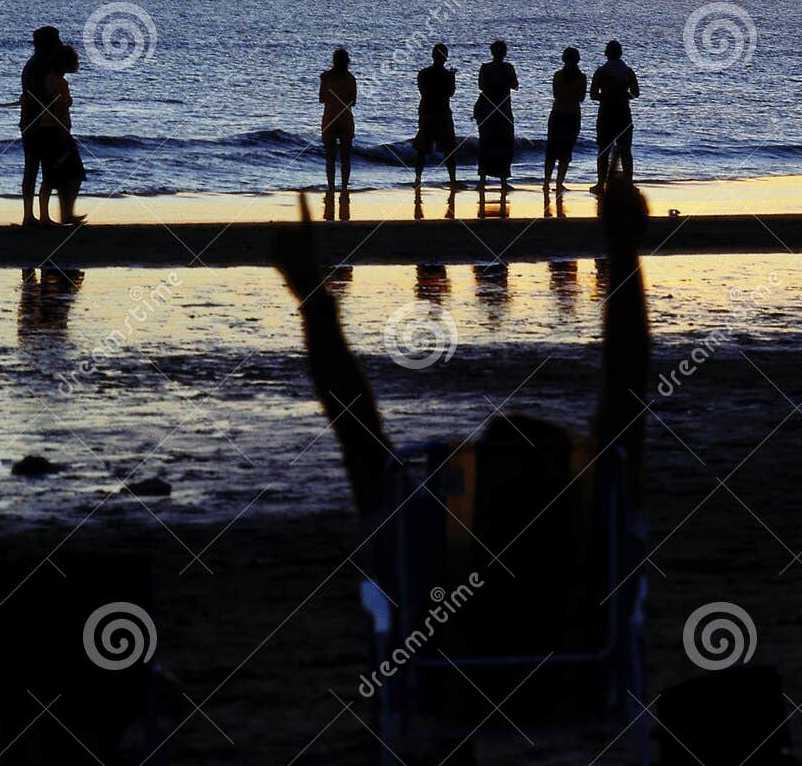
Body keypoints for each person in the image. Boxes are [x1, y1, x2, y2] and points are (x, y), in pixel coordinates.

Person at [274, 180, 651, 520]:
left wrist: (312, 296)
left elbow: (355, 425)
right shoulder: (600, 535)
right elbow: (626, 388)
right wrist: (623, 248)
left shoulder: (426, 554)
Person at [36, 43, 86, 225]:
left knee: (51, 175)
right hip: (58, 132)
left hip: (45, 129)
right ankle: (66, 213)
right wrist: (65, 131)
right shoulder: (61, 83)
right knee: (74, 174)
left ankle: (47, 215)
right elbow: (61, 109)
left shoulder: (45, 79)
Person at [20, 25, 60, 227]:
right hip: (42, 123)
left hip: (27, 122)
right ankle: (42, 216)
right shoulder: (43, 65)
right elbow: (43, 95)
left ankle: (29, 215)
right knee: (47, 168)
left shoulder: (30, 64)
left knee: (31, 168)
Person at [589, 39, 639, 193]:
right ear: (621, 53)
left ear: (606, 54)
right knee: (625, 150)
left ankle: (600, 184)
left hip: (606, 113)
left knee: (603, 149)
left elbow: (592, 95)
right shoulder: (628, 71)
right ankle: (628, 184)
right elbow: (636, 93)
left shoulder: (601, 72)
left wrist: (607, 96)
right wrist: (623, 95)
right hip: (623, 112)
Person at [413, 44, 459, 190]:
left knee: (422, 149)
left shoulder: (423, 73)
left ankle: (417, 179)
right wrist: (452, 78)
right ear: (445, 57)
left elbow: (422, 91)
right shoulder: (447, 76)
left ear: (433, 56)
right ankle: (452, 180)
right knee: (449, 149)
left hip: (427, 113)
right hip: (443, 113)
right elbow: (450, 93)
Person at [475, 39, 519, 186]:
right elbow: (515, 86)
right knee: (504, 144)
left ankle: (482, 179)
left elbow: (481, 86)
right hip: (503, 111)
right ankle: (503, 180)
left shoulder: (485, 68)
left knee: (486, 143)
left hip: (487, 110)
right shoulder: (508, 68)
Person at [544, 47, 587, 191]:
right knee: (566, 151)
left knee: (552, 150)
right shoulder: (581, 78)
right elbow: (581, 98)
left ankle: (546, 182)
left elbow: (556, 95)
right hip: (572, 115)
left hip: (557, 114)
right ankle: (559, 182)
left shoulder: (557, 75)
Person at [319, 48, 357, 193]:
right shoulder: (351, 78)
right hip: (345, 119)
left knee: (330, 157)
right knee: (345, 157)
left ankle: (331, 187)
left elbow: (321, 98)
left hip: (329, 118)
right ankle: (345, 187)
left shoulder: (326, 78)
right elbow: (353, 102)